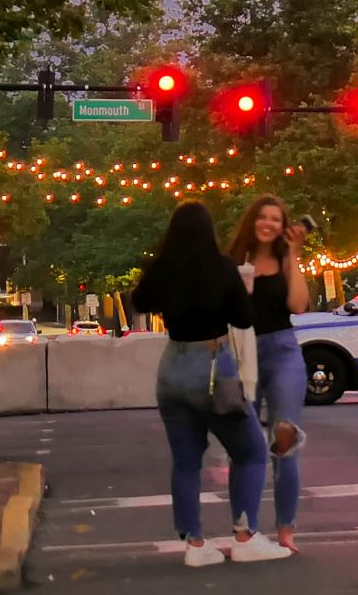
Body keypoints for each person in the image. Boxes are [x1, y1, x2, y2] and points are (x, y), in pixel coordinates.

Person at [131, 202, 287, 566]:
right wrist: (241, 292)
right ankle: (245, 535)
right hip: (213, 364)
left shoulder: (162, 269)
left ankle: (195, 544)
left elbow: (140, 301)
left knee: (186, 460)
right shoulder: (222, 268)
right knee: (249, 450)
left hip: (172, 366)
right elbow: (244, 319)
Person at [227, 196, 313, 550]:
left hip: (282, 350)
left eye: (276, 219)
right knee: (245, 447)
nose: (268, 224)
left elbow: (298, 305)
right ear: (252, 221)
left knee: (284, 440)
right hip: (242, 353)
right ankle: (244, 531)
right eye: (262, 217)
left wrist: (292, 254)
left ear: (283, 225)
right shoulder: (234, 260)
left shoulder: (284, 258)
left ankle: (286, 530)